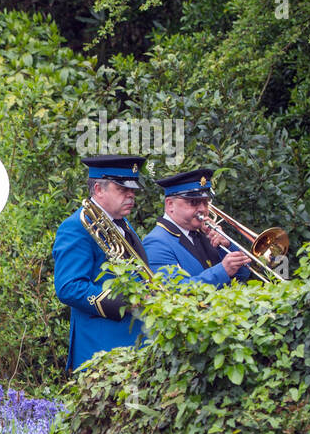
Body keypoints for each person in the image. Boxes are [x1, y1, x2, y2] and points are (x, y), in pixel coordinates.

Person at [52, 155, 150, 373]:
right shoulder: (76, 227)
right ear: (98, 189)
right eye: (122, 189)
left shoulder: (121, 224)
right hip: (102, 348)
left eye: (133, 190)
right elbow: (68, 287)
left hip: (133, 343)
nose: (131, 195)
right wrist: (127, 301)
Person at [142, 168, 252, 286]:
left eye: (205, 202)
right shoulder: (156, 242)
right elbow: (173, 291)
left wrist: (227, 246)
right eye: (194, 202)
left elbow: (243, 275)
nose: (203, 209)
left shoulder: (203, 233)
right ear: (170, 205)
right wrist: (222, 271)